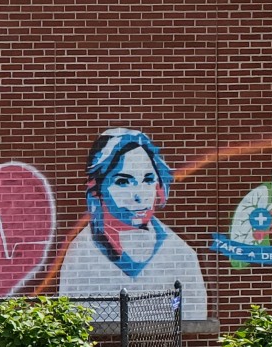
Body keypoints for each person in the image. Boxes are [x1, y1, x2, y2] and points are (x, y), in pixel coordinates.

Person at [59, 128, 207, 319]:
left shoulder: (180, 253)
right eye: (123, 182)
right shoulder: (81, 255)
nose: (139, 196)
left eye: (148, 179)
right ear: (97, 188)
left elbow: (193, 317)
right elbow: (71, 323)